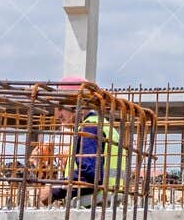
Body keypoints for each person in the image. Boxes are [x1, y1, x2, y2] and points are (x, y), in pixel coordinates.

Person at [35, 77, 124, 206]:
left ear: (79, 104)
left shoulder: (90, 128)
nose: (57, 115)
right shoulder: (103, 125)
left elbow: (89, 177)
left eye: (61, 107)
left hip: (91, 209)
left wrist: (54, 190)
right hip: (106, 206)